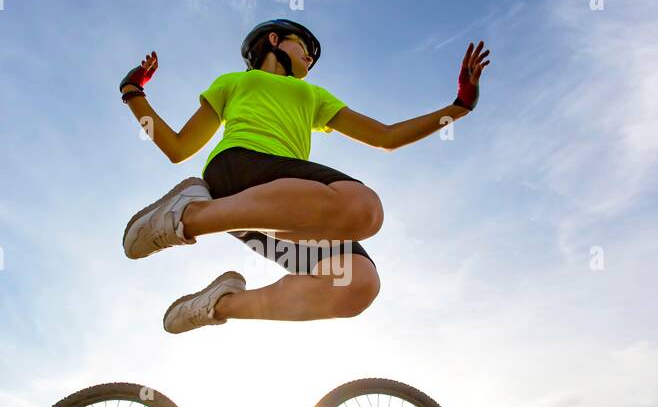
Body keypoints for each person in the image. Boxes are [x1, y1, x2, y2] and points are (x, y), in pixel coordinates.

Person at [118, 18, 490, 333]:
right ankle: (189, 218)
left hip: (274, 212)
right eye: (303, 45)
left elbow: (385, 136)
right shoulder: (235, 82)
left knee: (357, 282)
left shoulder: (313, 95)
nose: (310, 55)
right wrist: (134, 93)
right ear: (274, 40)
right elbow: (178, 148)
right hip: (237, 171)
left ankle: (220, 304)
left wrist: (457, 109)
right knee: (363, 209)